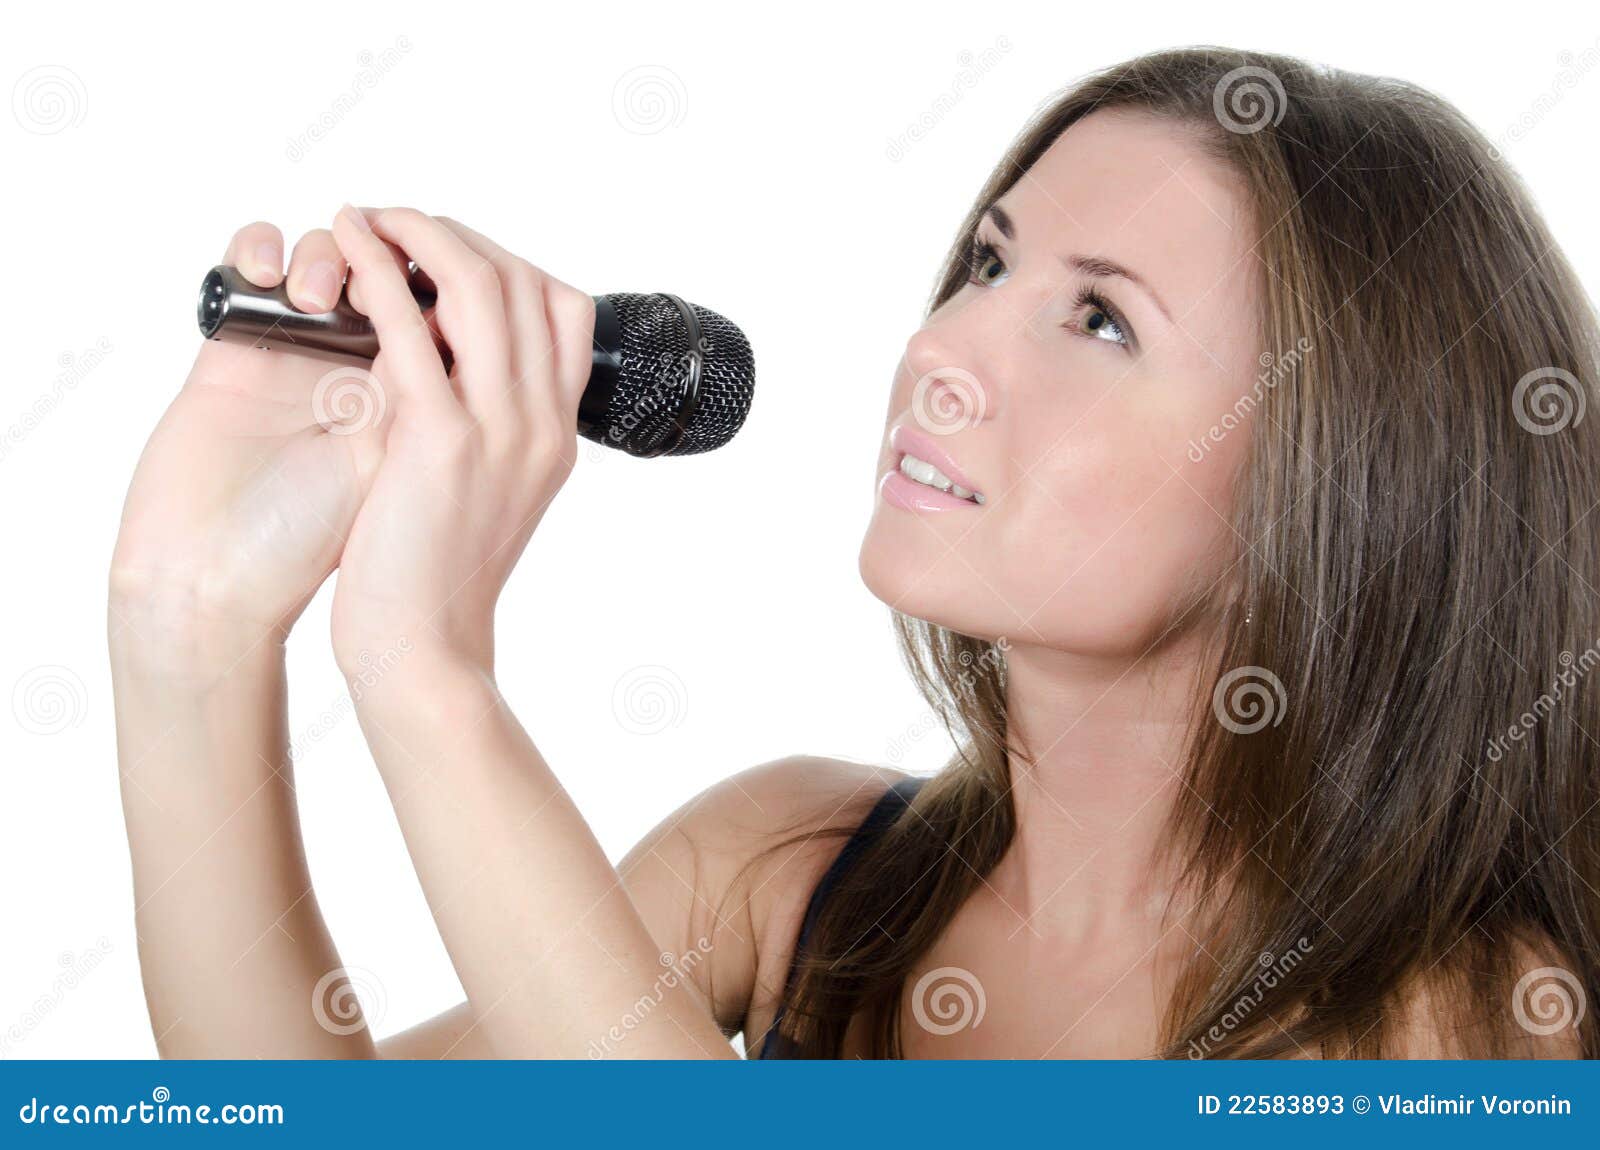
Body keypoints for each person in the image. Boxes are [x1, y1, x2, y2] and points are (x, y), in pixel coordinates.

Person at [109, 46, 1597, 1059]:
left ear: (1339, 479)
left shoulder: (1465, 1025)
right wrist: (190, 624)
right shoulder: (795, 868)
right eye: (990, 264)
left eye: (1099, 319)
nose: (945, 347)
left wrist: (428, 677)